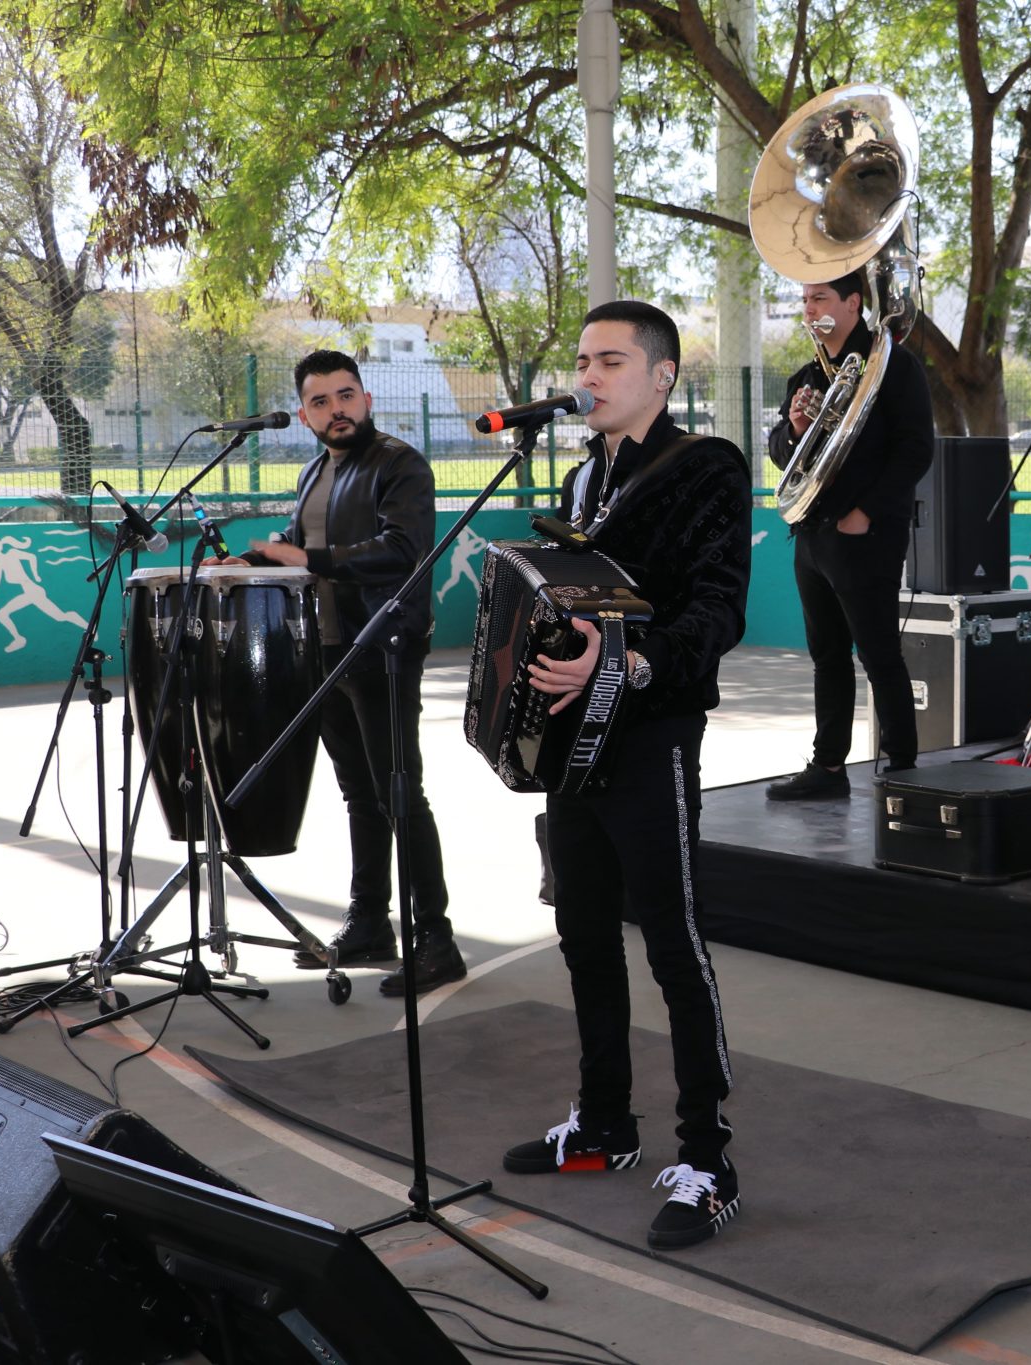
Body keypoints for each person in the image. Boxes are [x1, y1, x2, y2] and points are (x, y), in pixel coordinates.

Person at [499, 300, 753, 1251]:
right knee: (583, 934)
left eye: (610, 359)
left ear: (662, 375)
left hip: (653, 737)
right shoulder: (580, 478)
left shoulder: (705, 468)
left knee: (675, 948)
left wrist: (628, 663)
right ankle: (605, 1123)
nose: (588, 374)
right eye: (581, 357)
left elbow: (716, 608)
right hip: (575, 747)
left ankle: (709, 1158)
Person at [216, 350, 460, 995]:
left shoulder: (400, 464)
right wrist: (244, 562)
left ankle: (436, 940)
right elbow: (300, 552)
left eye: (346, 395)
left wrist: (307, 554)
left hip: (382, 646)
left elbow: (402, 550)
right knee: (360, 794)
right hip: (326, 649)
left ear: (367, 399)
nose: (337, 410)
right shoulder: (314, 473)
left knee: (399, 791)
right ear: (304, 415)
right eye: (321, 402)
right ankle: (370, 923)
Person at [763, 271, 935, 800]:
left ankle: (904, 767)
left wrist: (865, 511)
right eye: (805, 298)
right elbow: (781, 456)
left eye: (819, 298)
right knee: (827, 656)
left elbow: (915, 451)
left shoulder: (894, 368)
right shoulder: (805, 378)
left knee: (879, 652)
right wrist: (792, 430)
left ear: (853, 302)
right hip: (812, 534)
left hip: (866, 532)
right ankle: (828, 769)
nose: (808, 307)